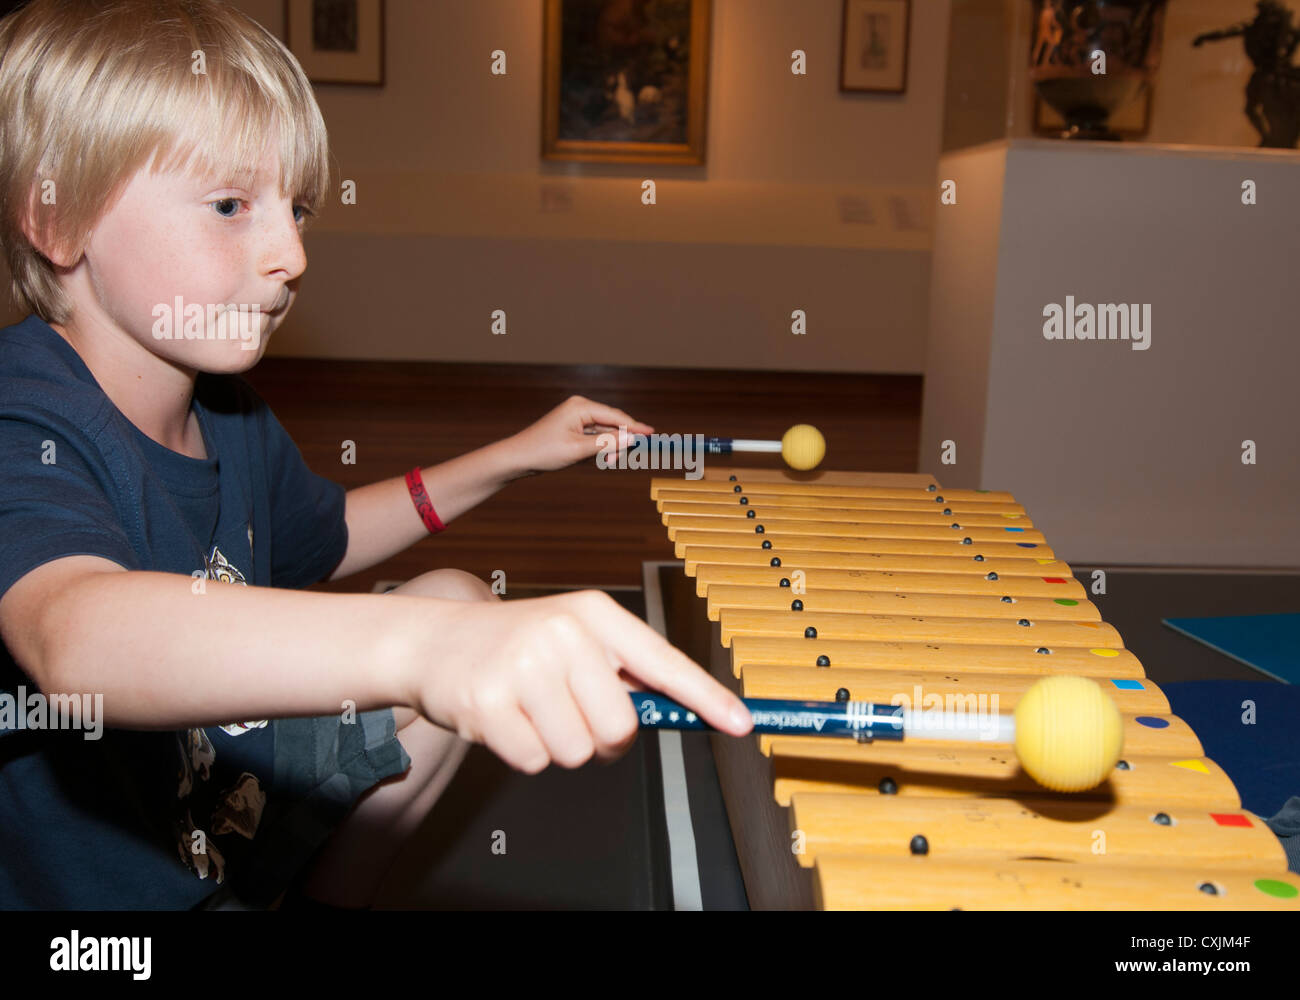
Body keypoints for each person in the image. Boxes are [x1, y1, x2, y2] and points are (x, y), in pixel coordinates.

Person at [0, 0, 750, 911]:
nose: (291, 254)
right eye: (233, 206)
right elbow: (74, 639)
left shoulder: (225, 411)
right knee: (443, 629)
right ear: (56, 215)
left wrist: (516, 456)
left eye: (298, 208)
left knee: (459, 599)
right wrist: (427, 649)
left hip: (221, 812)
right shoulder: (21, 417)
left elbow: (331, 535)